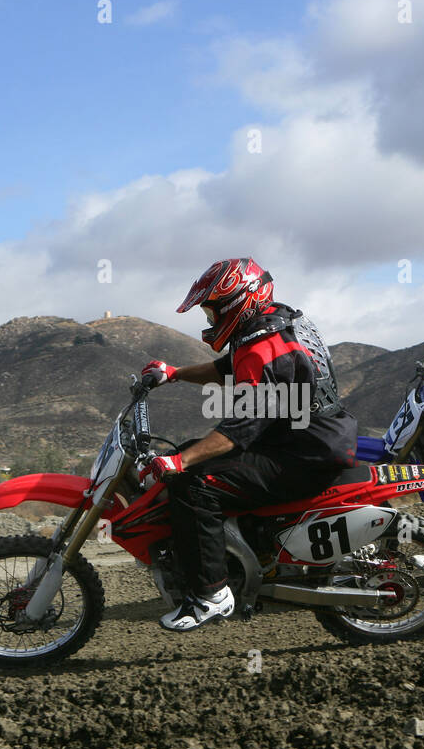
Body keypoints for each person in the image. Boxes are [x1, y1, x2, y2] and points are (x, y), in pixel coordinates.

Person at [140, 258, 358, 631]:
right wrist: (174, 375)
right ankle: (240, 549)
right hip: (305, 437)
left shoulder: (264, 345)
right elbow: (228, 369)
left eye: (212, 311)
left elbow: (242, 426)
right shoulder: (270, 324)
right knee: (189, 455)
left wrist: (181, 462)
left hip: (303, 452)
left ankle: (212, 594)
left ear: (236, 302)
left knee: (194, 486)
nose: (209, 320)